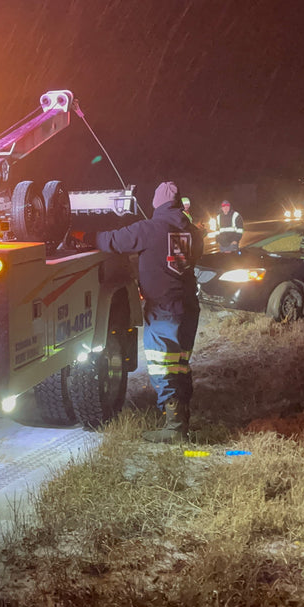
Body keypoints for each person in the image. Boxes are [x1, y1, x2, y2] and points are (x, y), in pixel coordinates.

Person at [90, 181, 204, 443]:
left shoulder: (150, 228)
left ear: (157, 203)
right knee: (180, 365)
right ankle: (182, 420)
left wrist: (85, 237)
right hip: (188, 308)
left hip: (164, 310)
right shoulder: (193, 232)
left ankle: (174, 428)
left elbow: (112, 240)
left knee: (163, 366)